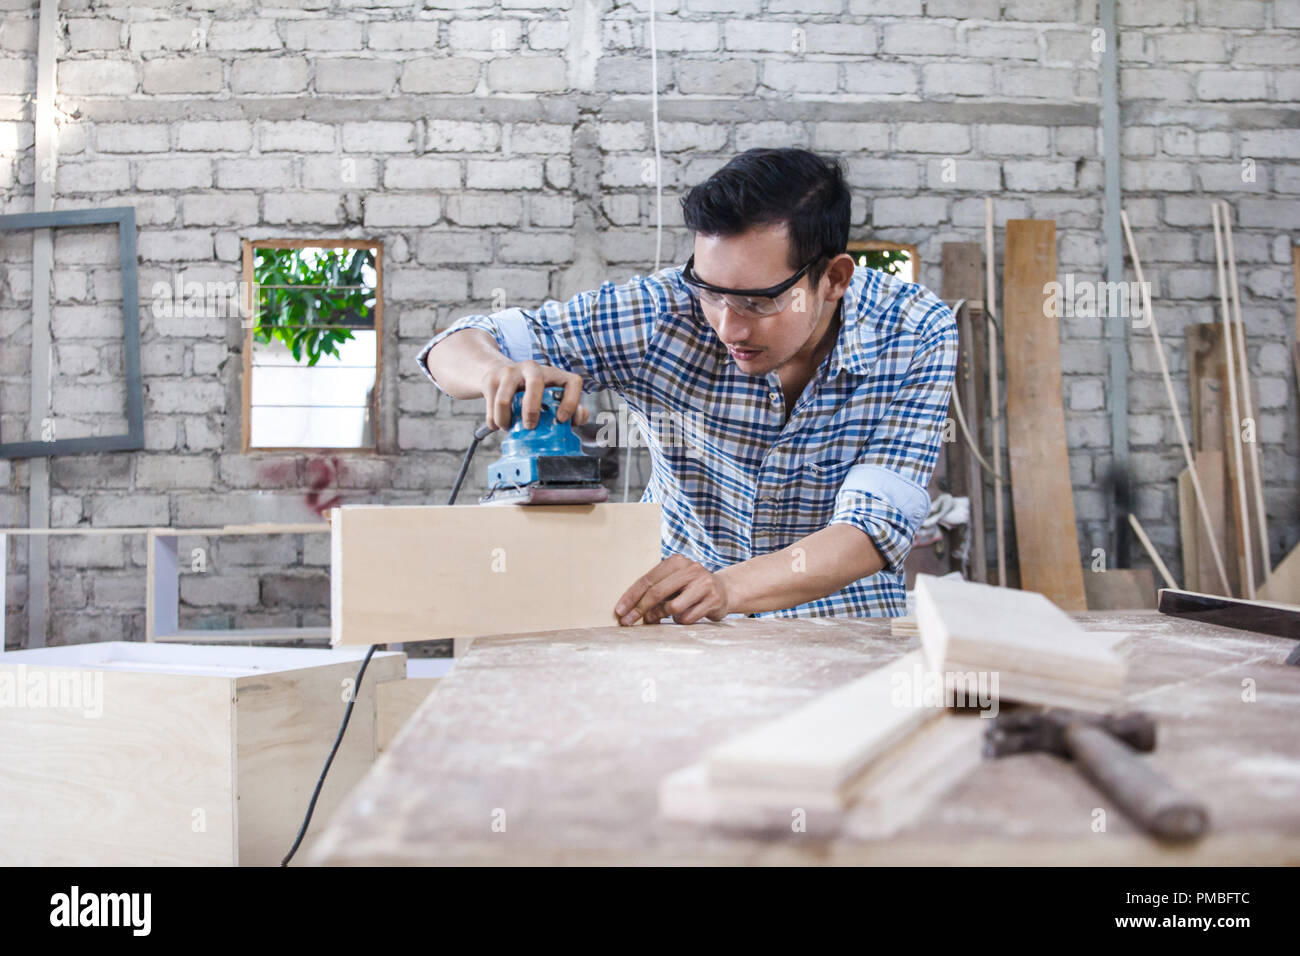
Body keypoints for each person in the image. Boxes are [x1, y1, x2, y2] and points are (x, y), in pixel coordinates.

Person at [418, 147, 956, 625]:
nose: (727, 326)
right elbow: (456, 343)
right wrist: (493, 371)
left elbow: (872, 529)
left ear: (834, 278)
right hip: (684, 632)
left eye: (757, 302)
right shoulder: (660, 312)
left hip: (844, 630)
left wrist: (726, 587)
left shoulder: (915, 331)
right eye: (711, 292)